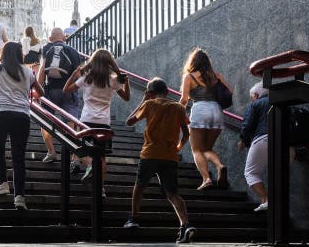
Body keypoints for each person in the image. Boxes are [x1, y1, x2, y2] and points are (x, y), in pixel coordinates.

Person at [0, 42, 44, 211]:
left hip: (0, 113)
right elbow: (40, 92)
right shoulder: (28, 71)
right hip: (22, 115)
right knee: (18, 156)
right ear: (20, 54)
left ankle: (2, 183)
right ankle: (19, 197)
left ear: (3, 53)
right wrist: (28, 93)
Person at [124, 77, 195, 243]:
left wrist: (143, 100)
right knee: (172, 193)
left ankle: (133, 218)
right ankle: (185, 224)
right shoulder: (178, 107)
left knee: (139, 187)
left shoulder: (149, 104)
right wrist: (178, 147)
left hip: (150, 153)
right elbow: (186, 132)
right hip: (170, 156)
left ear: (150, 93)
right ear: (168, 91)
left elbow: (128, 121)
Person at [62, 49, 130, 195]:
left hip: (87, 120)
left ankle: (91, 166)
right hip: (104, 123)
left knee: (80, 148)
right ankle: (101, 188)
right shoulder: (112, 80)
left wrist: (73, 75)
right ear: (109, 63)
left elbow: (66, 89)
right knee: (101, 156)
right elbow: (126, 97)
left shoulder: (87, 77)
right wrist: (126, 83)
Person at [179, 47, 230, 190]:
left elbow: (183, 100)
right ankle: (220, 165)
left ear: (192, 62)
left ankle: (206, 179)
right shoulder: (216, 75)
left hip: (200, 110)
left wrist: (176, 113)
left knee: (196, 150)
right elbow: (229, 92)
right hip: (217, 111)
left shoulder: (189, 77)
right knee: (207, 148)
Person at [36, 27, 83, 163]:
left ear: (50, 39)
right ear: (64, 38)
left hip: (50, 91)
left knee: (45, 120)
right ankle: (73, 155)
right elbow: (79, 75)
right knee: (71, 122)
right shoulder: (73, 52)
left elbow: (42, 72)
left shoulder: (47, 49)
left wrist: (39, 91)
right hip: (68, 91)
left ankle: (51, 151)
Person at [238, 81, 270, 212]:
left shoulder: (256, 104)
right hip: (285, 142)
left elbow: (247, 124)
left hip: (263, 139)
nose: (251, 100)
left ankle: (266, 199)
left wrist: (243, 140)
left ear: (256, 94)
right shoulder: (280, 100)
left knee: (250, 173)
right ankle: (265, 201)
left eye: (251, 97)